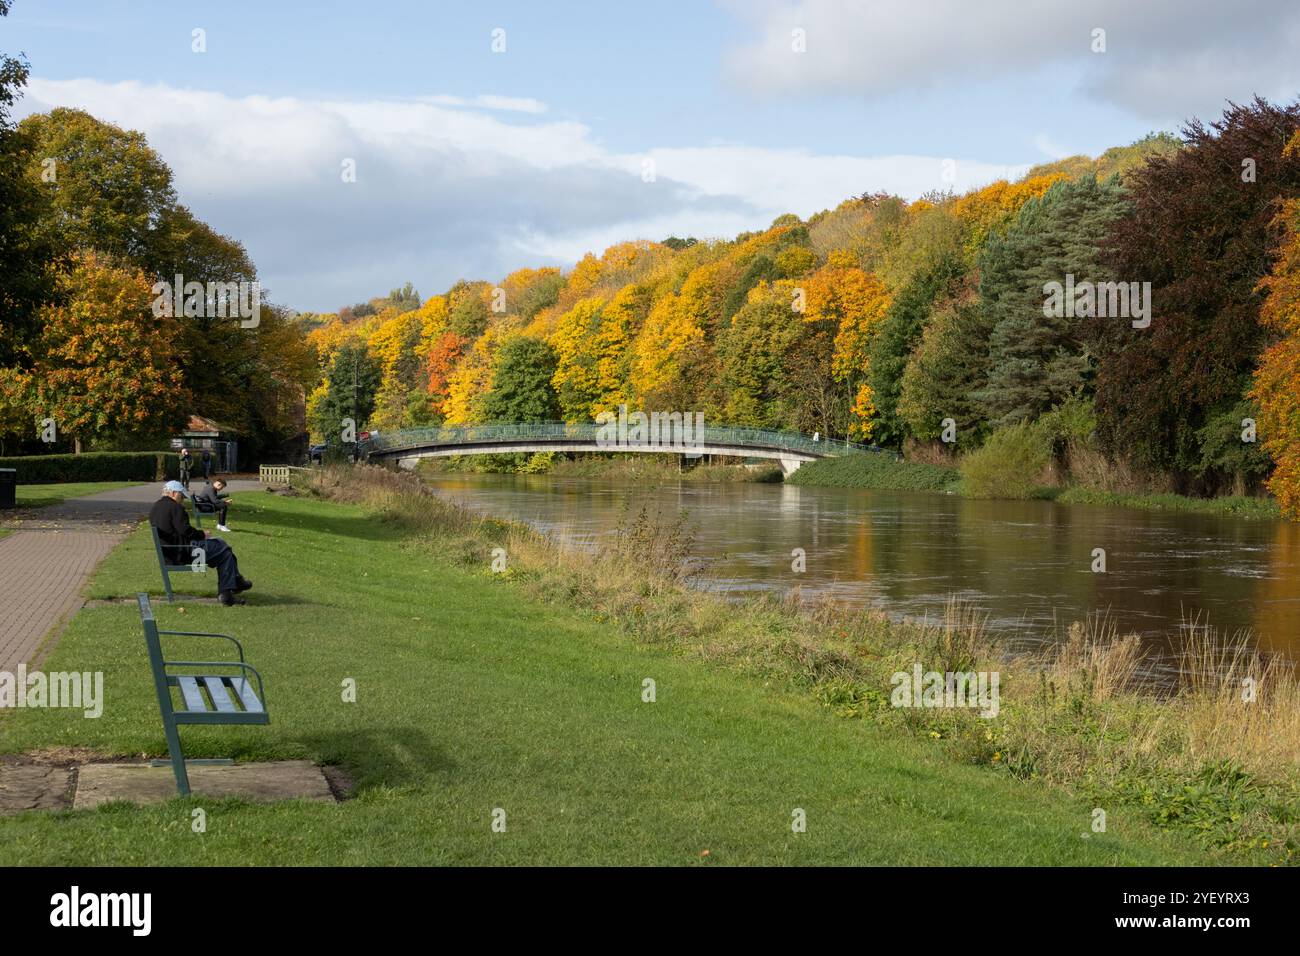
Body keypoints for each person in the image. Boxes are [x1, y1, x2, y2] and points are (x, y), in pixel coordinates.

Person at [149, 480, 252, 606]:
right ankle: (230, 590)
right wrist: (202, 534)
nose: (182, 499)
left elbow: (180, 531)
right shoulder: (175, 507)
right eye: (181, 495)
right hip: (183, 552)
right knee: (224, 550)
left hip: (170, 552)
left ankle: (234, 585)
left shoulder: (156, 507)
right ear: (174, 493)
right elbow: (185, 531)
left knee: (223, 549)